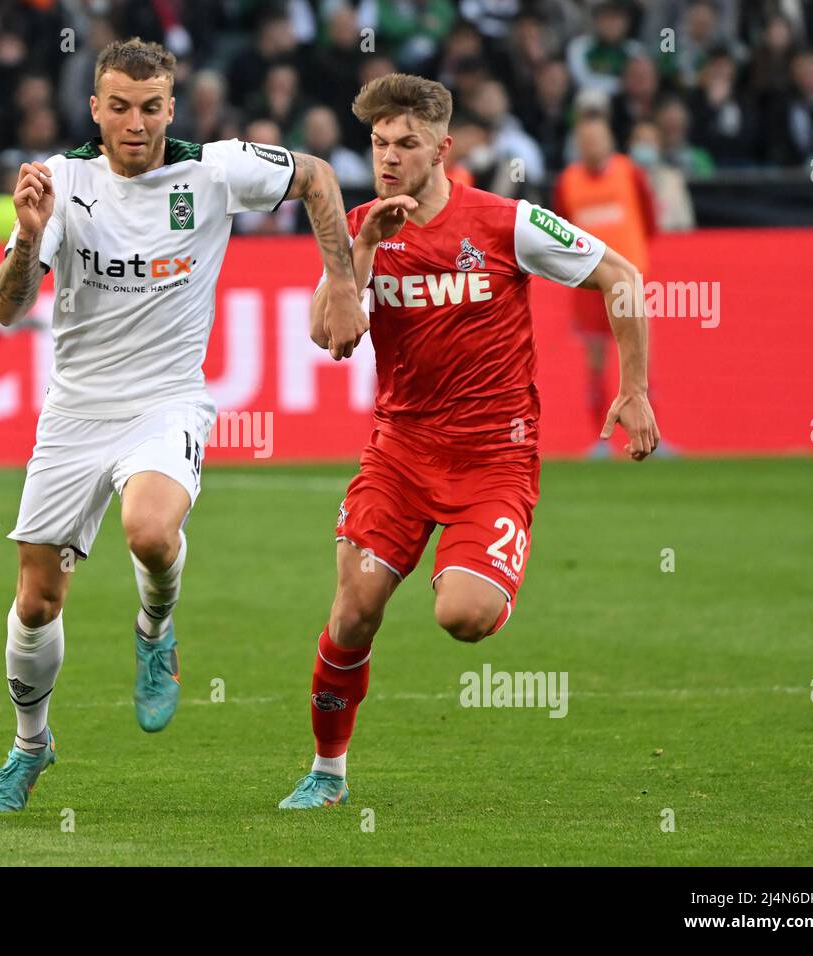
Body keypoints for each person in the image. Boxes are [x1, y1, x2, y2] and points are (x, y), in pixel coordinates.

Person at [0, 37, 363, 814]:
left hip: (167, 400)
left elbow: (319, 176)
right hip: (76, 409)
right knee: (37, 601)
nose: (135, 123)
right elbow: (4, 306)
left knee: (150, 531)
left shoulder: (214, 169)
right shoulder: (60, 181)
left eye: (151, 107)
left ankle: (156, 629)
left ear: (171, 107)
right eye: (118, 106)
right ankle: (31, 747)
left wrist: (342, 280)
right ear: (95, 107)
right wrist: (26, 236)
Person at [279, 73, 658, 809]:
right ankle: (327, 772)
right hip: (399, 450)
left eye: (406, 144)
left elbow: (621, 276)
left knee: (464, 616)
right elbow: (329, 336)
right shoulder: (354, 225)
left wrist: (634, 387)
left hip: (494, 456)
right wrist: (358, 249)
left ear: (443, 149)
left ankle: (475, 558)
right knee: (353, 613)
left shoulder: (506, 224)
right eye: (379, 144)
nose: (388, 158)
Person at [552, 113, 657, 456]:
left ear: (610, 139)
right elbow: (562, 227)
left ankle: (653, 436)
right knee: (595, 363)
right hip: (589, 286)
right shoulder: (568, 182)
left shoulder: (631, 173)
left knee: (639, 360)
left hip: (627, 283)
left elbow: (649, 219)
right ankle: (601, 441)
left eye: (596, 139)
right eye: (585, 141)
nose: (591, 147)